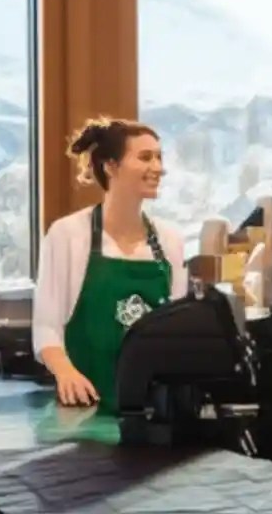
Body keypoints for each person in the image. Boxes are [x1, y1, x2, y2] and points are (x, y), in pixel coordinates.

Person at [33, 117, 187, 412]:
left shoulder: (170, 241)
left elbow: (175, 332)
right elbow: (46, 326)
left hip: (152, 413)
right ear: (110, 166)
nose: (158, 167)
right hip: (86, 408)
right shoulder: (68, 235)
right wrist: (66, 373)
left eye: (159, 158)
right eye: (145, 157)